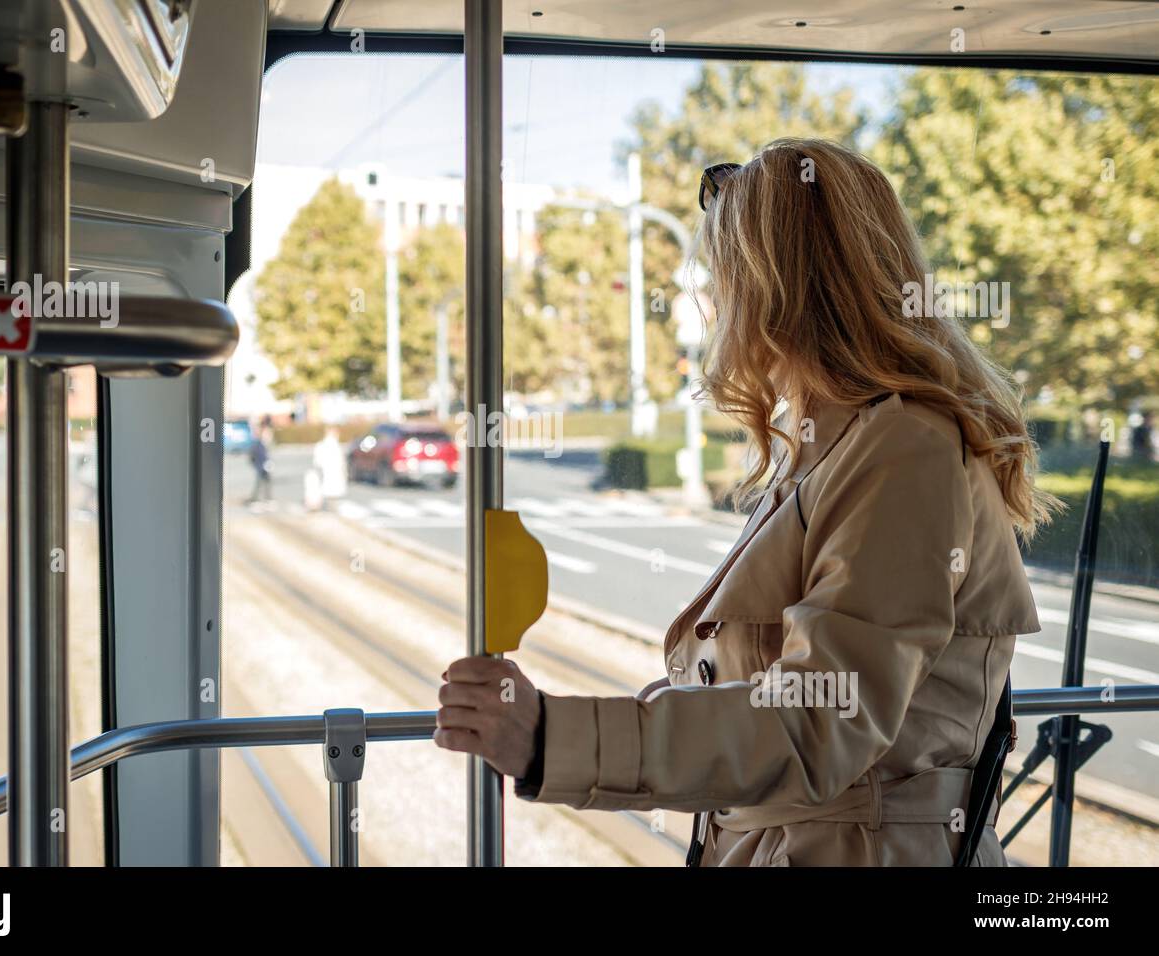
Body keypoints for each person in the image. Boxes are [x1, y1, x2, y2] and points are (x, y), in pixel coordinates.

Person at [435, 138, 1054, 867]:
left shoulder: (903, 450)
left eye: (720, 274)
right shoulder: (840, 444)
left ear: (774, 287)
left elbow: (820, 720)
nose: (711, 298)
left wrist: (552, 739)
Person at [247, 415, 273, 506]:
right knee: (262, 480)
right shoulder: (261, 435)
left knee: (264, 480)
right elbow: (262, 450)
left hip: (262, 461)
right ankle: (259, 499)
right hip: (262, 461)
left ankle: (264, 498)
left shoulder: (262, 434)